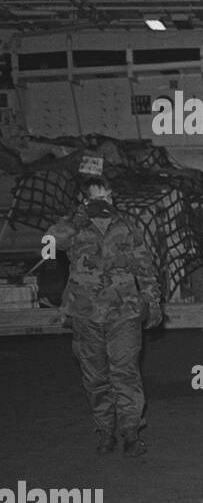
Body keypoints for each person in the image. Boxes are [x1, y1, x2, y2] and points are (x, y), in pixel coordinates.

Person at [48, 176, 162, 457]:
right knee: (96, 377)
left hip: (124, 311)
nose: (106, 204)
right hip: (86, 313)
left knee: (125, 372)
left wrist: (153, 301)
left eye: (109, 197)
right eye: (98, 199)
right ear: (84, 200)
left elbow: (145, 265)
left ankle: (131, 432)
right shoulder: (75, 227)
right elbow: (51, 241)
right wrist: (79, 217)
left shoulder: (126, 226)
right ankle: (104, 430)